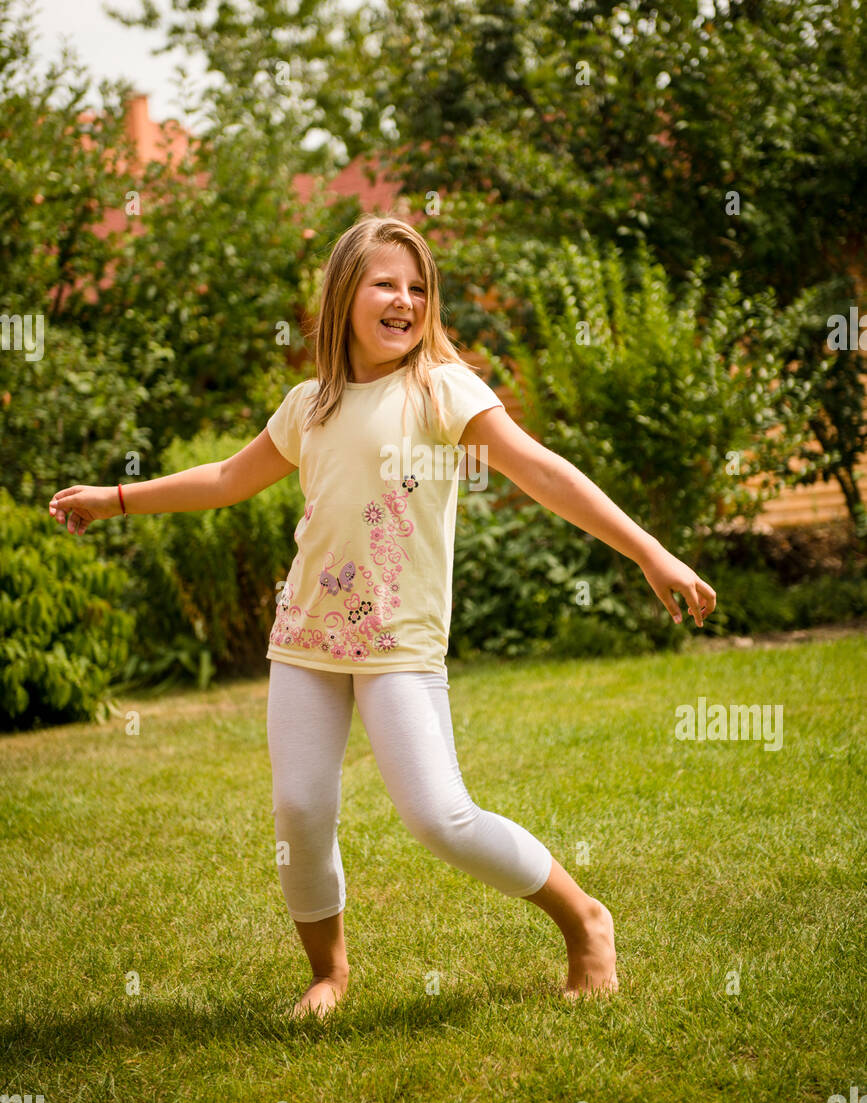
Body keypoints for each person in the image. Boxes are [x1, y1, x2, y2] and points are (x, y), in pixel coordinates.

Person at [49, 214, 716, 1018]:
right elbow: (227, 477)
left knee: (440, 817)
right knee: (299, 810)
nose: (404, 300)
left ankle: (583, 919)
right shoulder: (310, 404)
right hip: (304, 638)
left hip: (398, 646)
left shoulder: (442, 390)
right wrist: (115, 500)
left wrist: (648, 550)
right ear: (343, 295)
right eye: (384, 284)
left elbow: (540, 470)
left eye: (417, 287)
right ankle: (328, 973)